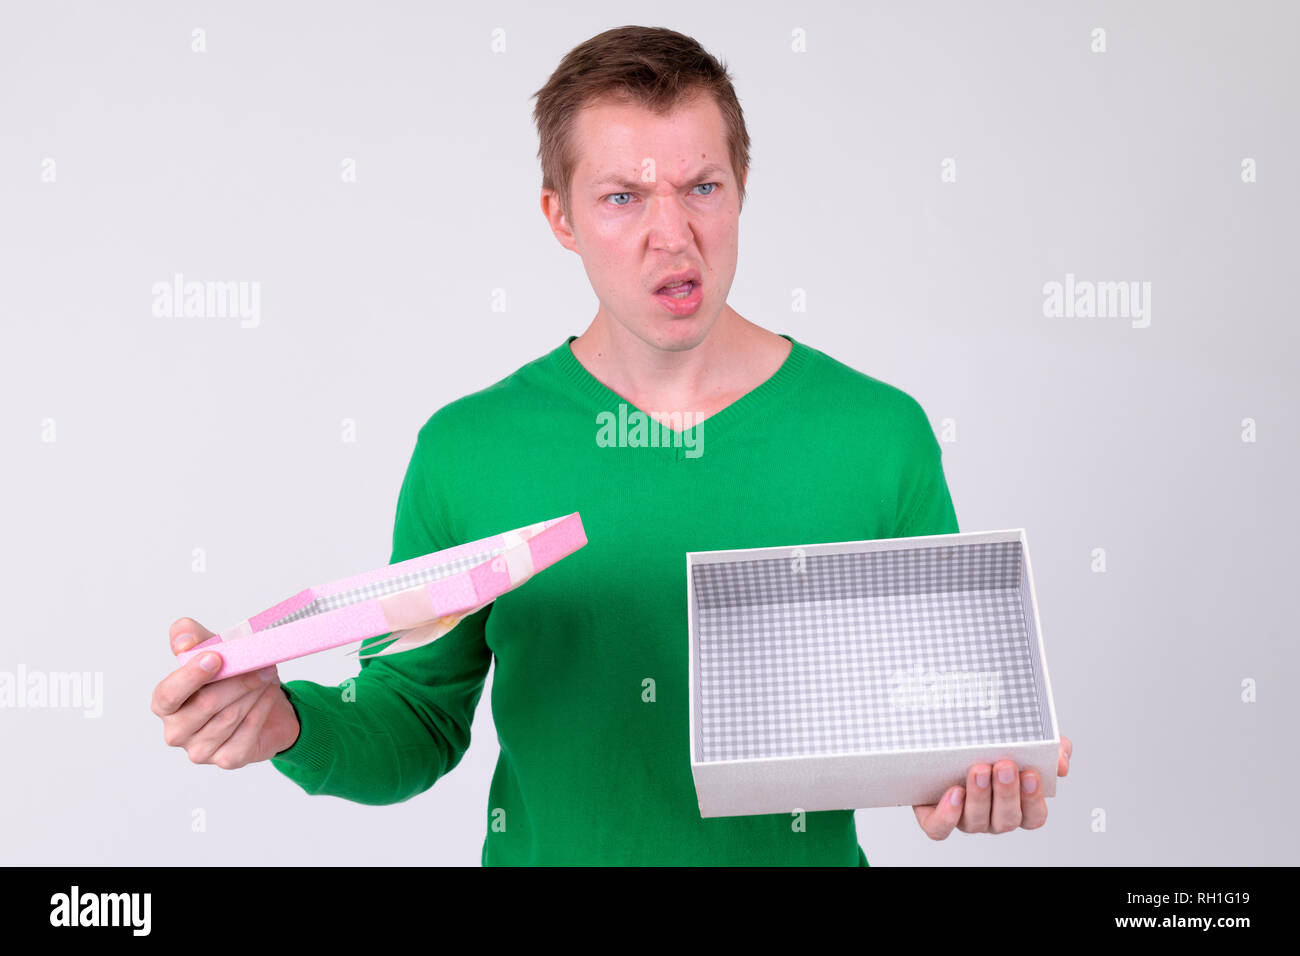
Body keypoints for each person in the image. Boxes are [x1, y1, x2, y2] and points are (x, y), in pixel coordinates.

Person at [152, 25, 1071, 865]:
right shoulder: (469, 449)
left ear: (740, 189)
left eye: (701, 188)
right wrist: (286, 724)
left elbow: (943, 708)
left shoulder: (879, 436)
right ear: (561, 218)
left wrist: (976, 775)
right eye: (623, 197)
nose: (673, 236)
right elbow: (414, 720)